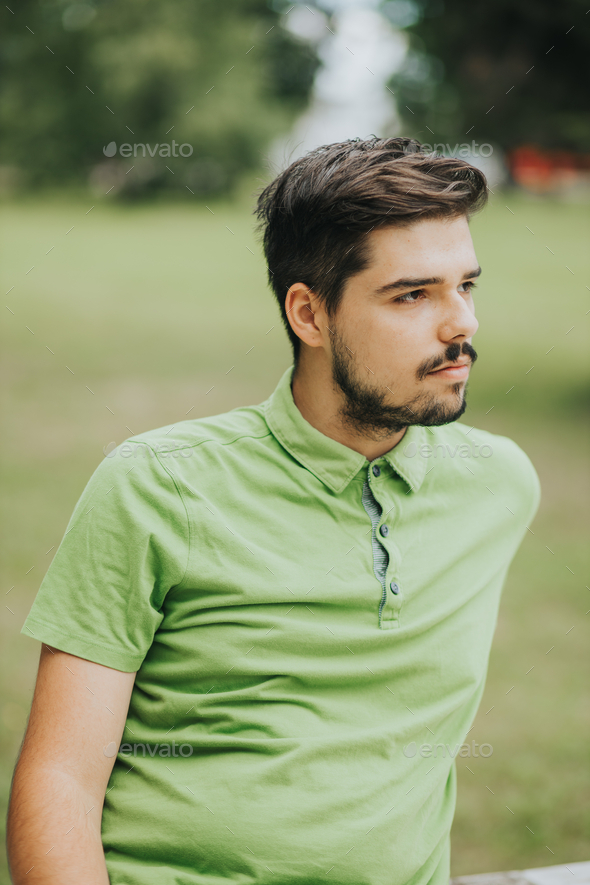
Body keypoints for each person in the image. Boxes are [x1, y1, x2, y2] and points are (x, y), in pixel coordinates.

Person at [7, 137, 541, 885]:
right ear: (309, 314)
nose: (461, 325)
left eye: (467, 286)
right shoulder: (156, 486)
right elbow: (60, 778)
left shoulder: (499, 486)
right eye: (412, 295)